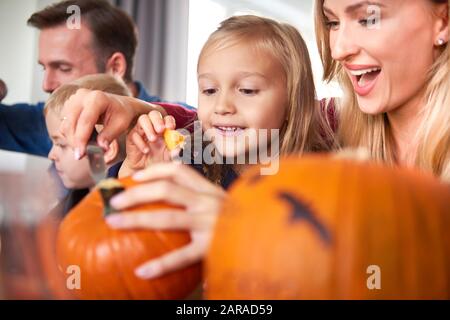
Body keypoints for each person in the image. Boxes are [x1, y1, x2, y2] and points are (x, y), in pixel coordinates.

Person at [60, 15, 336, 279]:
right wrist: (132, 173)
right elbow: (109, 232)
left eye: (248, 90)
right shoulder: (188, 163)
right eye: (209, 90)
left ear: (291, 102)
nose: (222, 107)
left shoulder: (322, 185)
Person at [0, 0, 196, 158]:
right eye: (44, 67)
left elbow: (217, 145)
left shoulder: (179, 128)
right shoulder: (53, 119)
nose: (46, 85)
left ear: (115, 67)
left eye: (63, 68)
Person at [315, 0, 449, 181]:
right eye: (333, 23)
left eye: (369, 20)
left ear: (444, 21)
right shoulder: (324, 126)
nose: (338, 51)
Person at [45, 74, 132, 214]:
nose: (51, 155)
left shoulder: (120, 211)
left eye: (61, 144)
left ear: (106, 149)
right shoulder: (65, 209)